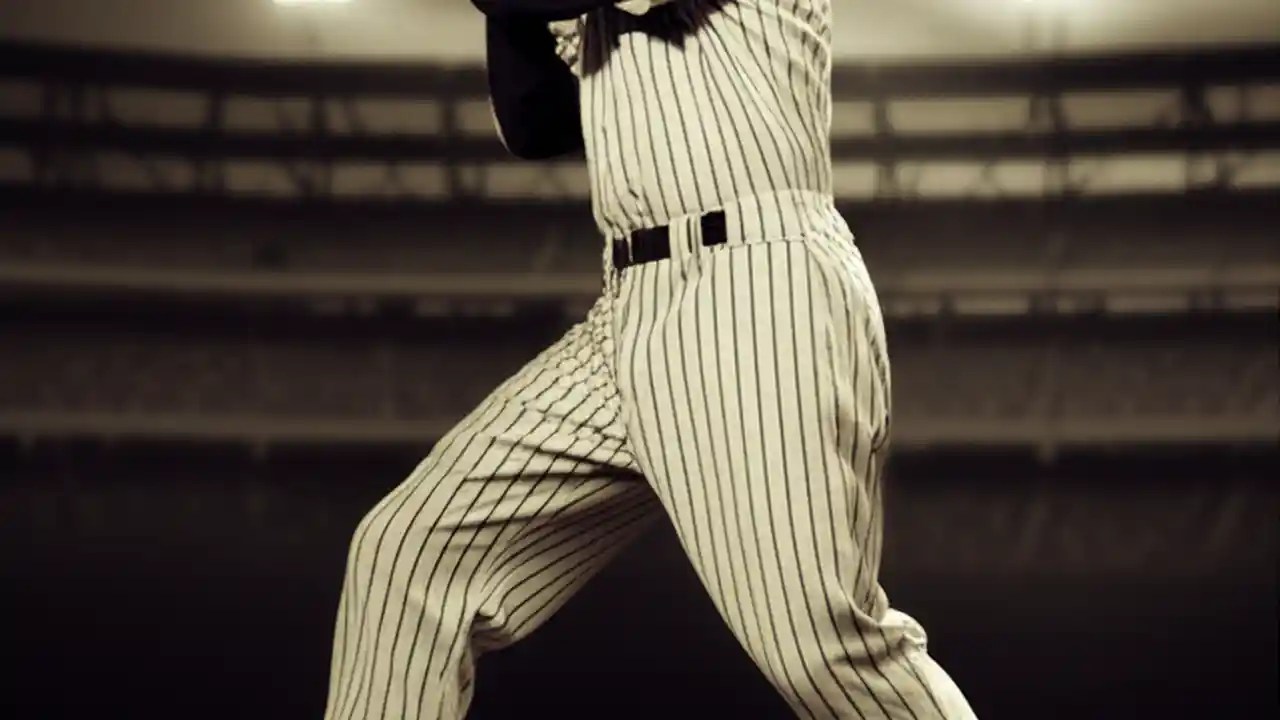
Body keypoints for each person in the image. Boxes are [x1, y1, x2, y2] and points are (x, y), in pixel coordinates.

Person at [323, 1, 978, 718]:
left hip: (753, 288)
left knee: (820, 649)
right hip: (630, 301)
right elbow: (535, 120)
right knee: (407, 558)